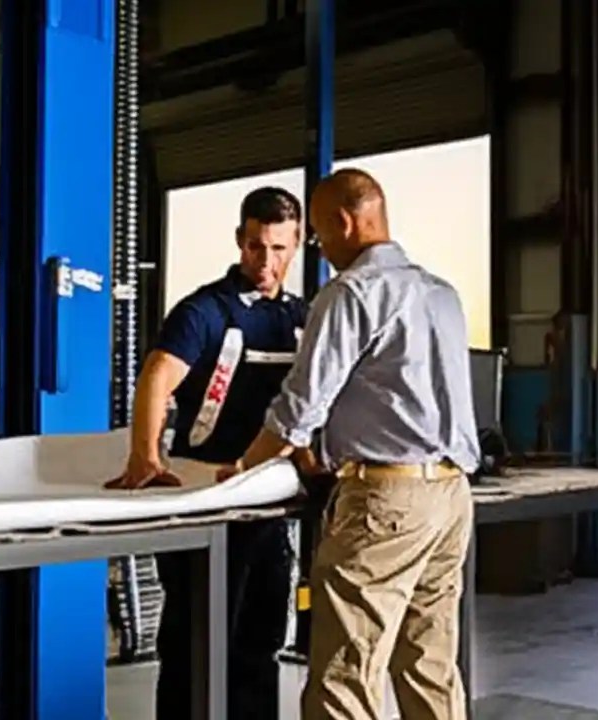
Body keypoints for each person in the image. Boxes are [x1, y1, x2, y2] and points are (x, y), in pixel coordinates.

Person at [220, 168, 480, 720]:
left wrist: (243, 468)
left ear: (342, 221)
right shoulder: (442, 294)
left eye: (315, 235)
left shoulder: (350, 293)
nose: (320, 249)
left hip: (384, 505)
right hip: (451, 497)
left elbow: (298, 408)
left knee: (345, 678)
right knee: (431, 667)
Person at [108, 186, 309, 720]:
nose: (265, 262)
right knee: (194, 642)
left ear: (297, 247)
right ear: (239, 241)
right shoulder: (204, 310)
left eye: (279, 249)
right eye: (255, 247)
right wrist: (145, 456)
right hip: (203, 499)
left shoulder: (303, 315)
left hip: (268, 499)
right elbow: (156, 376)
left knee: (259, 639)